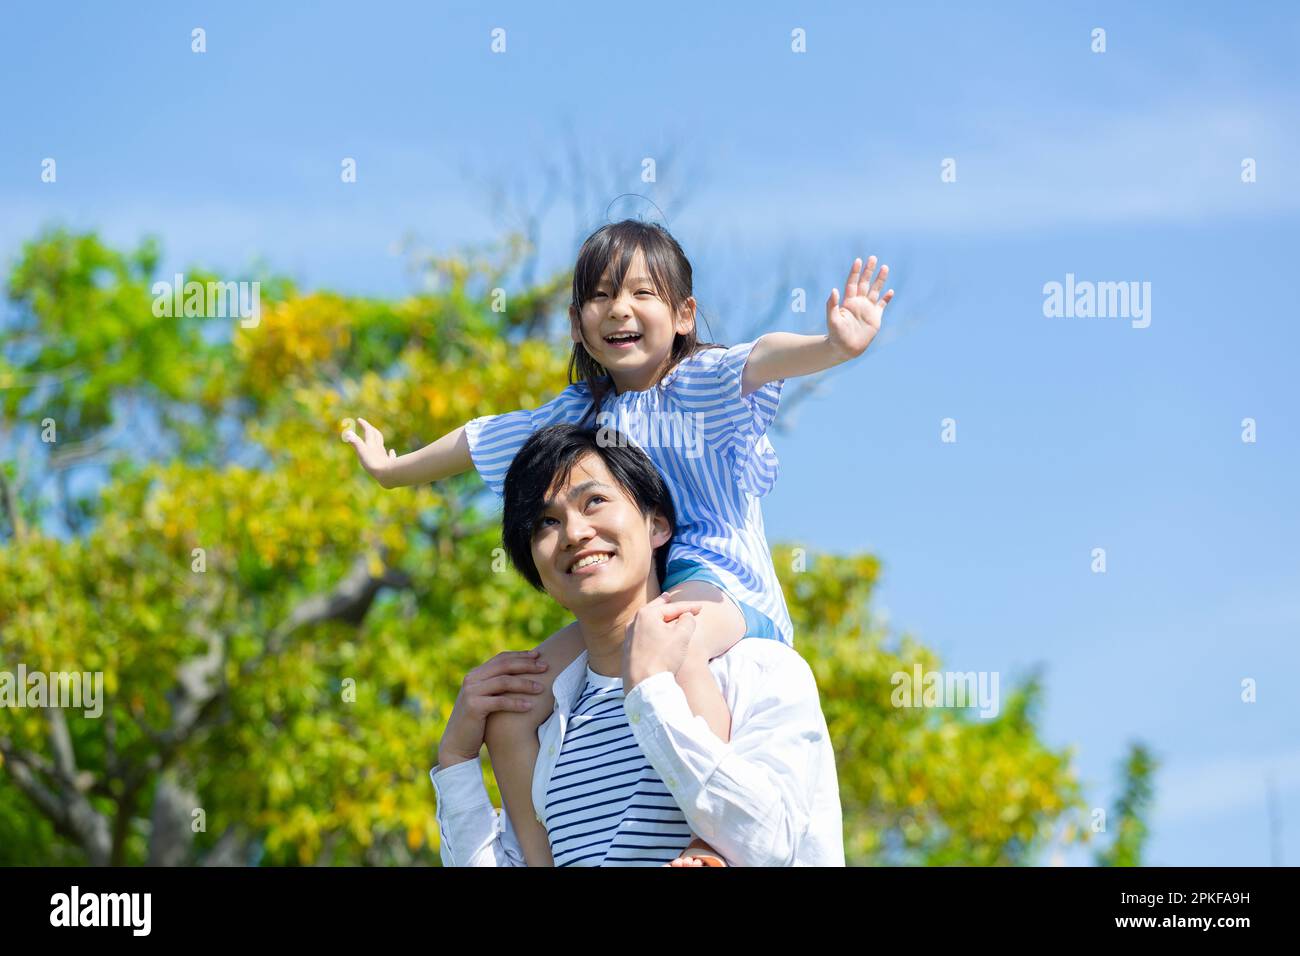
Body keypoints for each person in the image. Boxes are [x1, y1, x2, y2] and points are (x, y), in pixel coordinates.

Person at [344, 218, 895, 864]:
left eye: (642, 293)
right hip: (651, 602)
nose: (620, 310)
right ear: (578, 326)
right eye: (601, 297)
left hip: (725, 585)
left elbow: (765, 355)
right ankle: (536, 852)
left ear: (685, 314)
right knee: (517, 697)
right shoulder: (583, 414)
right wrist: (392, 470)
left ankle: (705, 840)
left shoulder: (700, 385)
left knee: (666, 634)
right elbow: (481, 438)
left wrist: (833, 346)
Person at [430, 425, 844, 866]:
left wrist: (652, 693)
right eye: (545, 522)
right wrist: (455, 760)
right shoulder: (543, 728)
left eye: (594, 501)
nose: (574, 532)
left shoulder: (759, 672)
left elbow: (769, 841)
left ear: (657, 525)